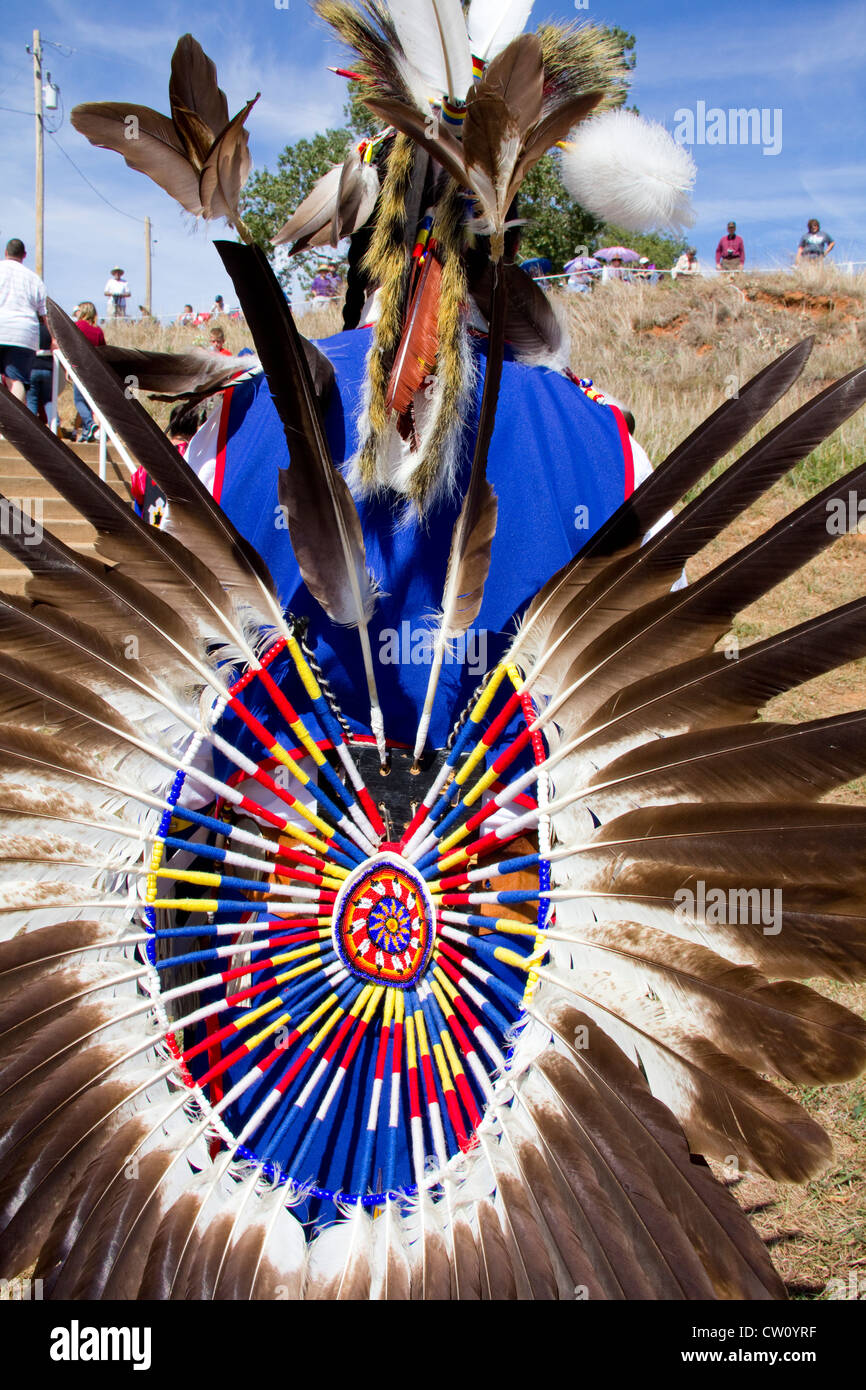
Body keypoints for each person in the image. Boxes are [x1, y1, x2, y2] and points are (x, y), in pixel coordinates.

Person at [0, 238, 48, 404]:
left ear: (6, 253)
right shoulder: (34, 279)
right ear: (24, 255)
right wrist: (54, 339)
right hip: (24, 334)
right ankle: (13, 428)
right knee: (17, 381)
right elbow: (45, 314)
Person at [71, 302, 105, 441]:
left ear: (84, 311)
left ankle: (91, 426)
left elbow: (71, 345)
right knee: (91, 402)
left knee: (79, 400)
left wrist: (70, 365)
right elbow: (104, 350)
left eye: (78, 310)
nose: (77, 313)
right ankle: (87, 433)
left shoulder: (77, 326)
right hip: (95, 369)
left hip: (80, 367)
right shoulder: (98, 330)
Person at [25, 319, 54, 424]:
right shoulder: (50, 330)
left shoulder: (30, 329)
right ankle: (54, 425)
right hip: (49, 369)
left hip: (32, 368)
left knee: (32, 400)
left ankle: (31, 426)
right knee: (49, 400)